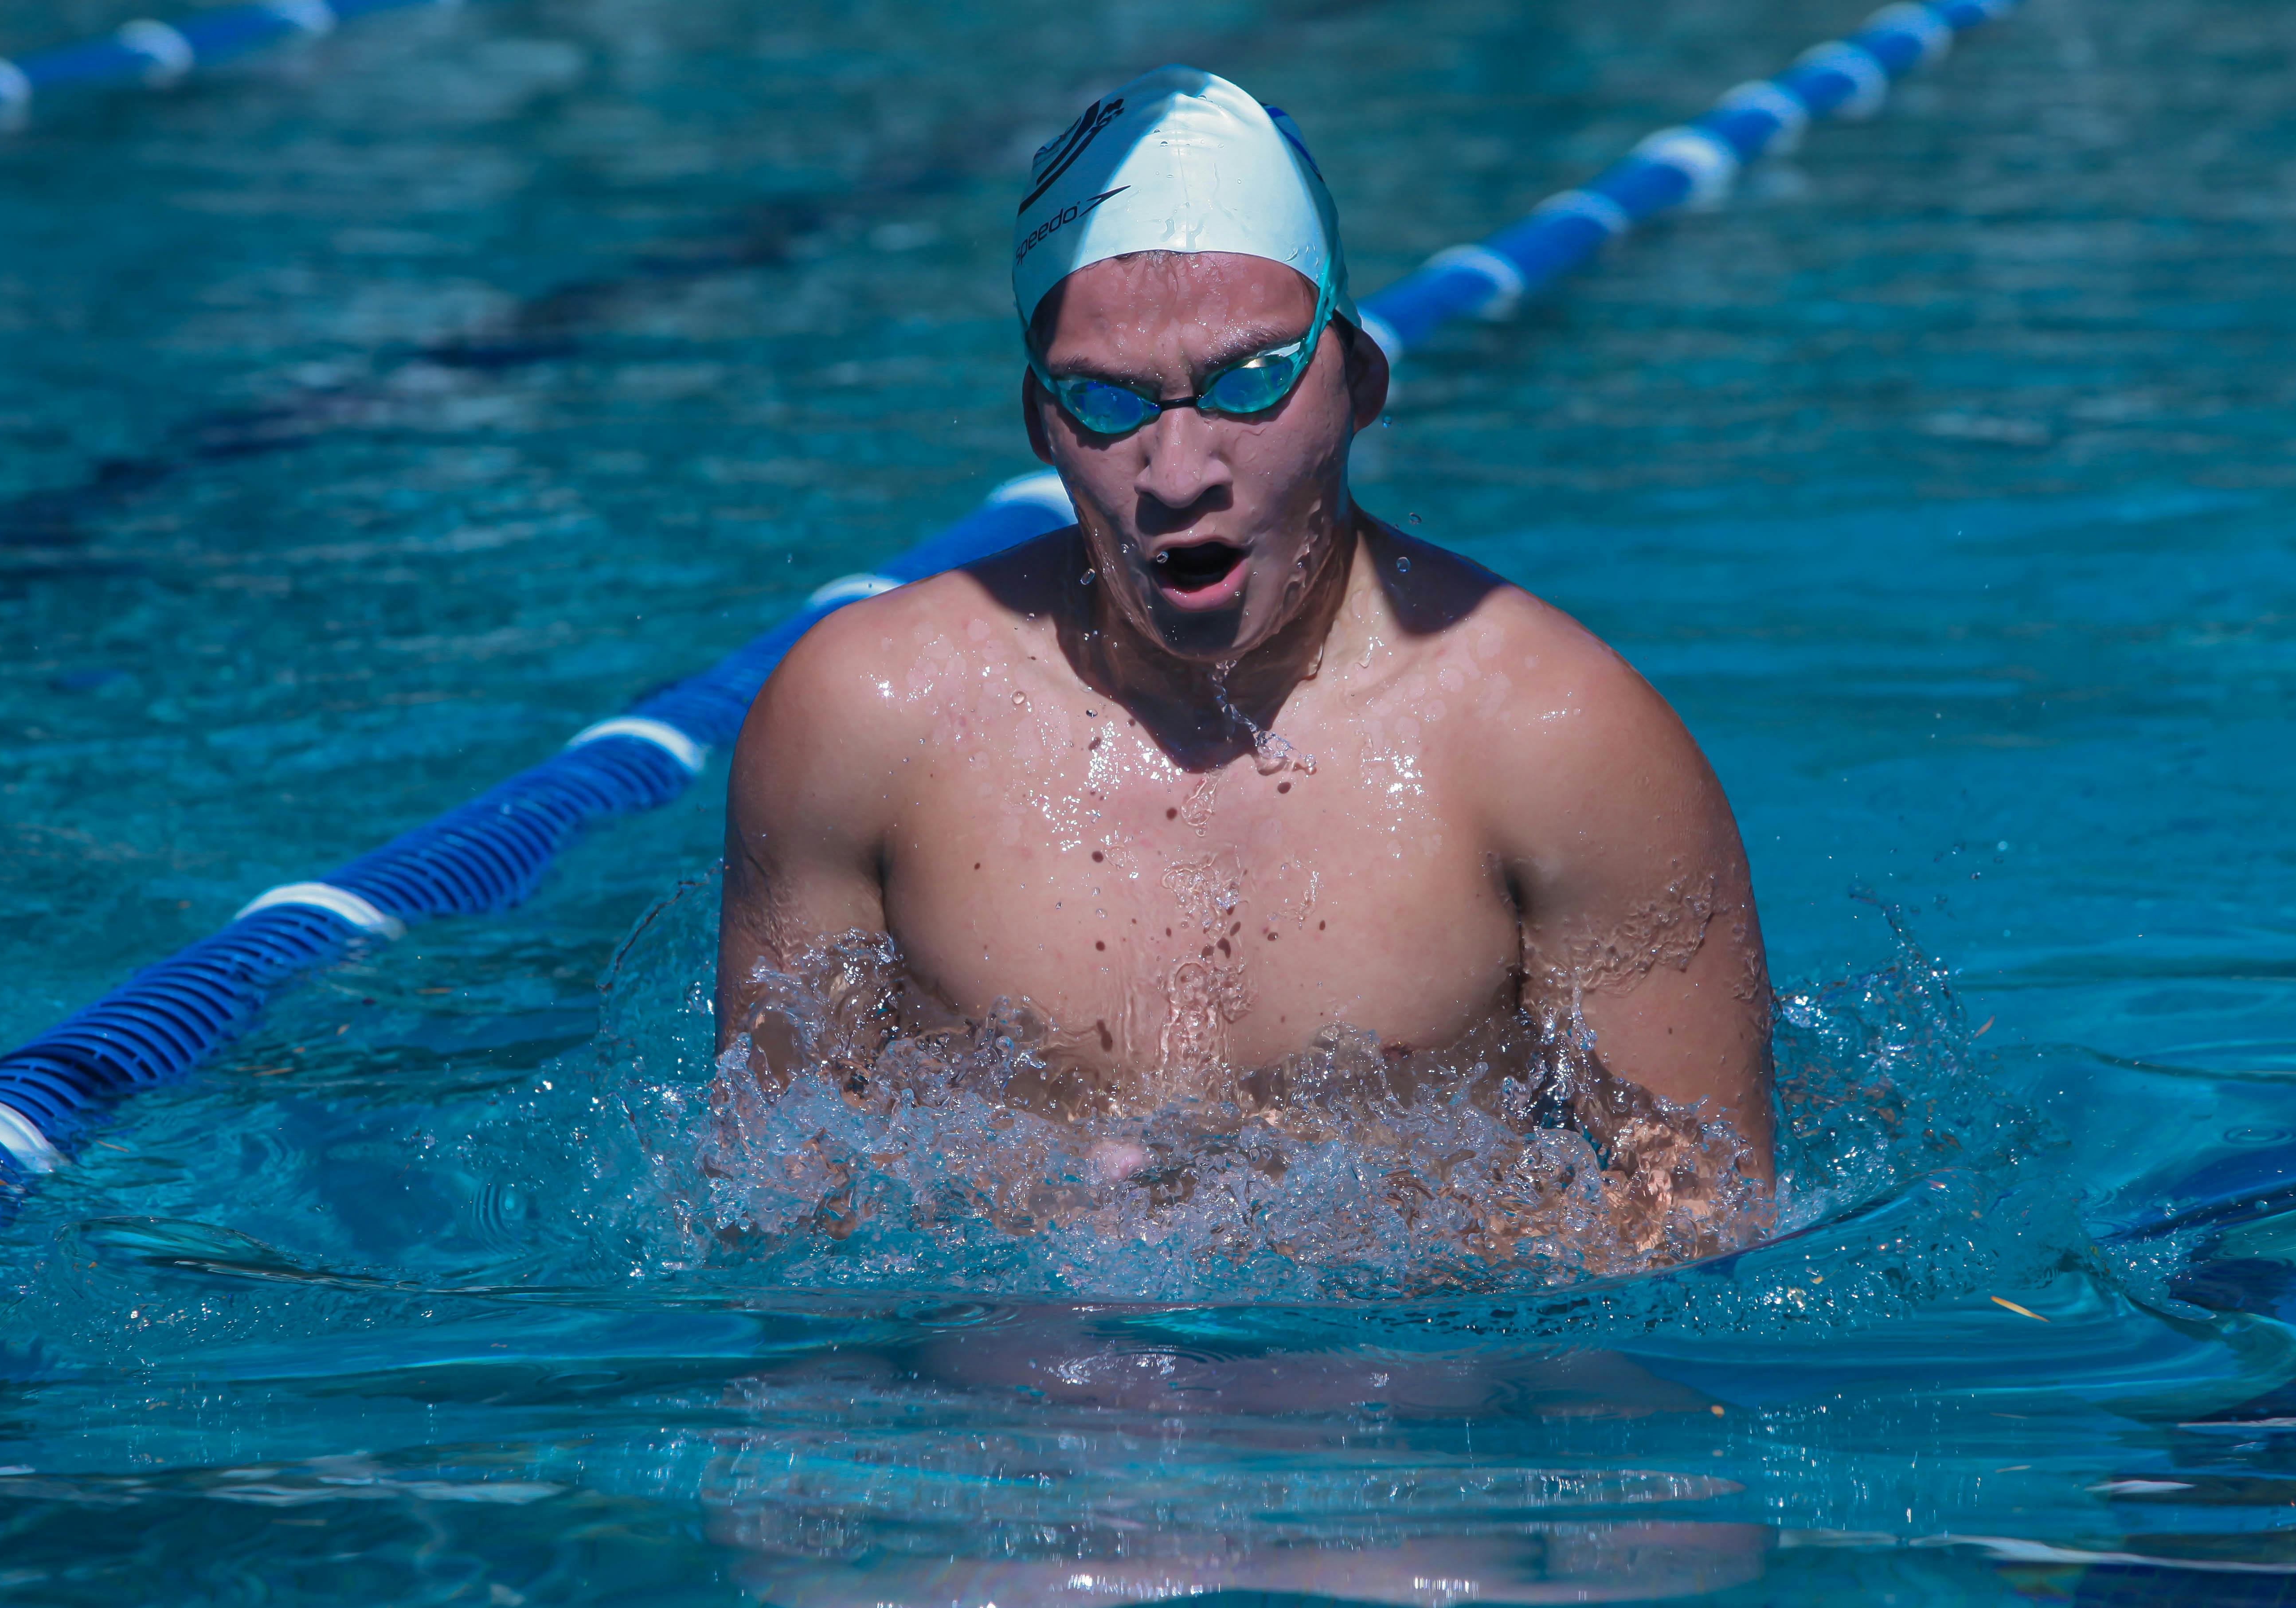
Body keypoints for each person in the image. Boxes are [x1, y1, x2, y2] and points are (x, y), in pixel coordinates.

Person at [717, 66, 1774, 1253]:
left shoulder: (1561, 743)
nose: (1178, 473)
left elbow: (1704, 1229)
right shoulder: (865, 719)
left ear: (1359, 382)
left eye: (1252, 381)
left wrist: (1338, 1248)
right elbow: (771, 1219)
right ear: (1039, 425)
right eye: (1105, 400)